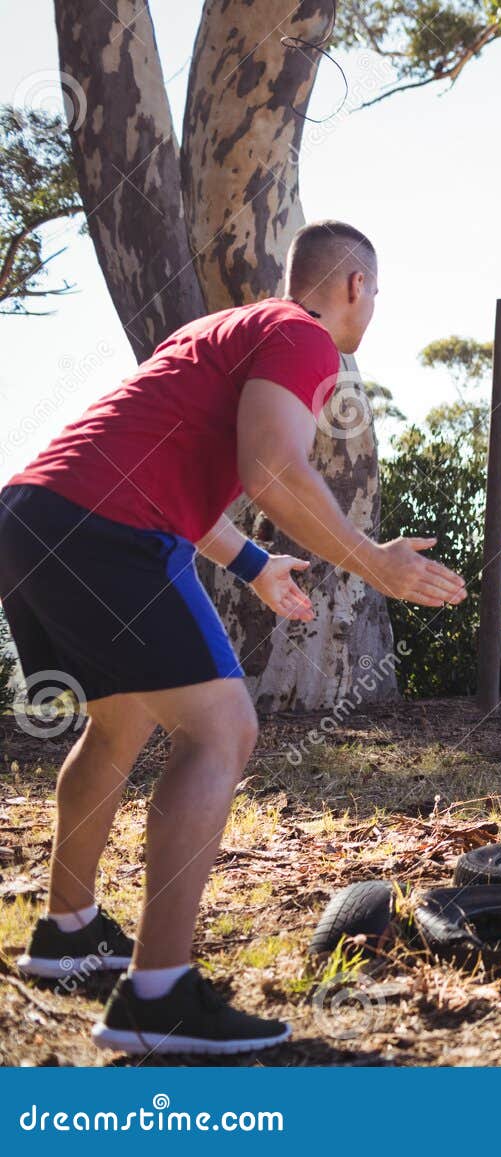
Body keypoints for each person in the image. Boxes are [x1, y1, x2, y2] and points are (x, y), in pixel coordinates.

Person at [1, 220, 466, 1055]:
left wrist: (252, 562)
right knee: (222, 728)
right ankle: (157, 998)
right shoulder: (303, 336)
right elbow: (274, 470)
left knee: (120, 722)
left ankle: (69, 931)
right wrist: (375, 563)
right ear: (355, 286)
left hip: (31, 517)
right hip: (106, 527)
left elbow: (166, 464)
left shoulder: (220, 330)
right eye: (377, 292)